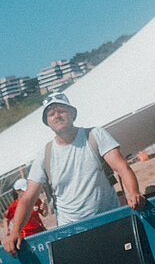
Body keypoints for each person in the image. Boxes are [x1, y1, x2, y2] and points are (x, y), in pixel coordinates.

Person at [4, 94, 145, 255]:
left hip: (110, 222)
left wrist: (133, 192)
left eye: (61, 111)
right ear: (47, 122)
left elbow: (122, 167)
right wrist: (15, 231)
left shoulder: (94, 135)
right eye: (51, 114)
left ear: (72, 113)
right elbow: (28, 198)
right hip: (71, 233)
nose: (57, 116)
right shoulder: (45, 154)